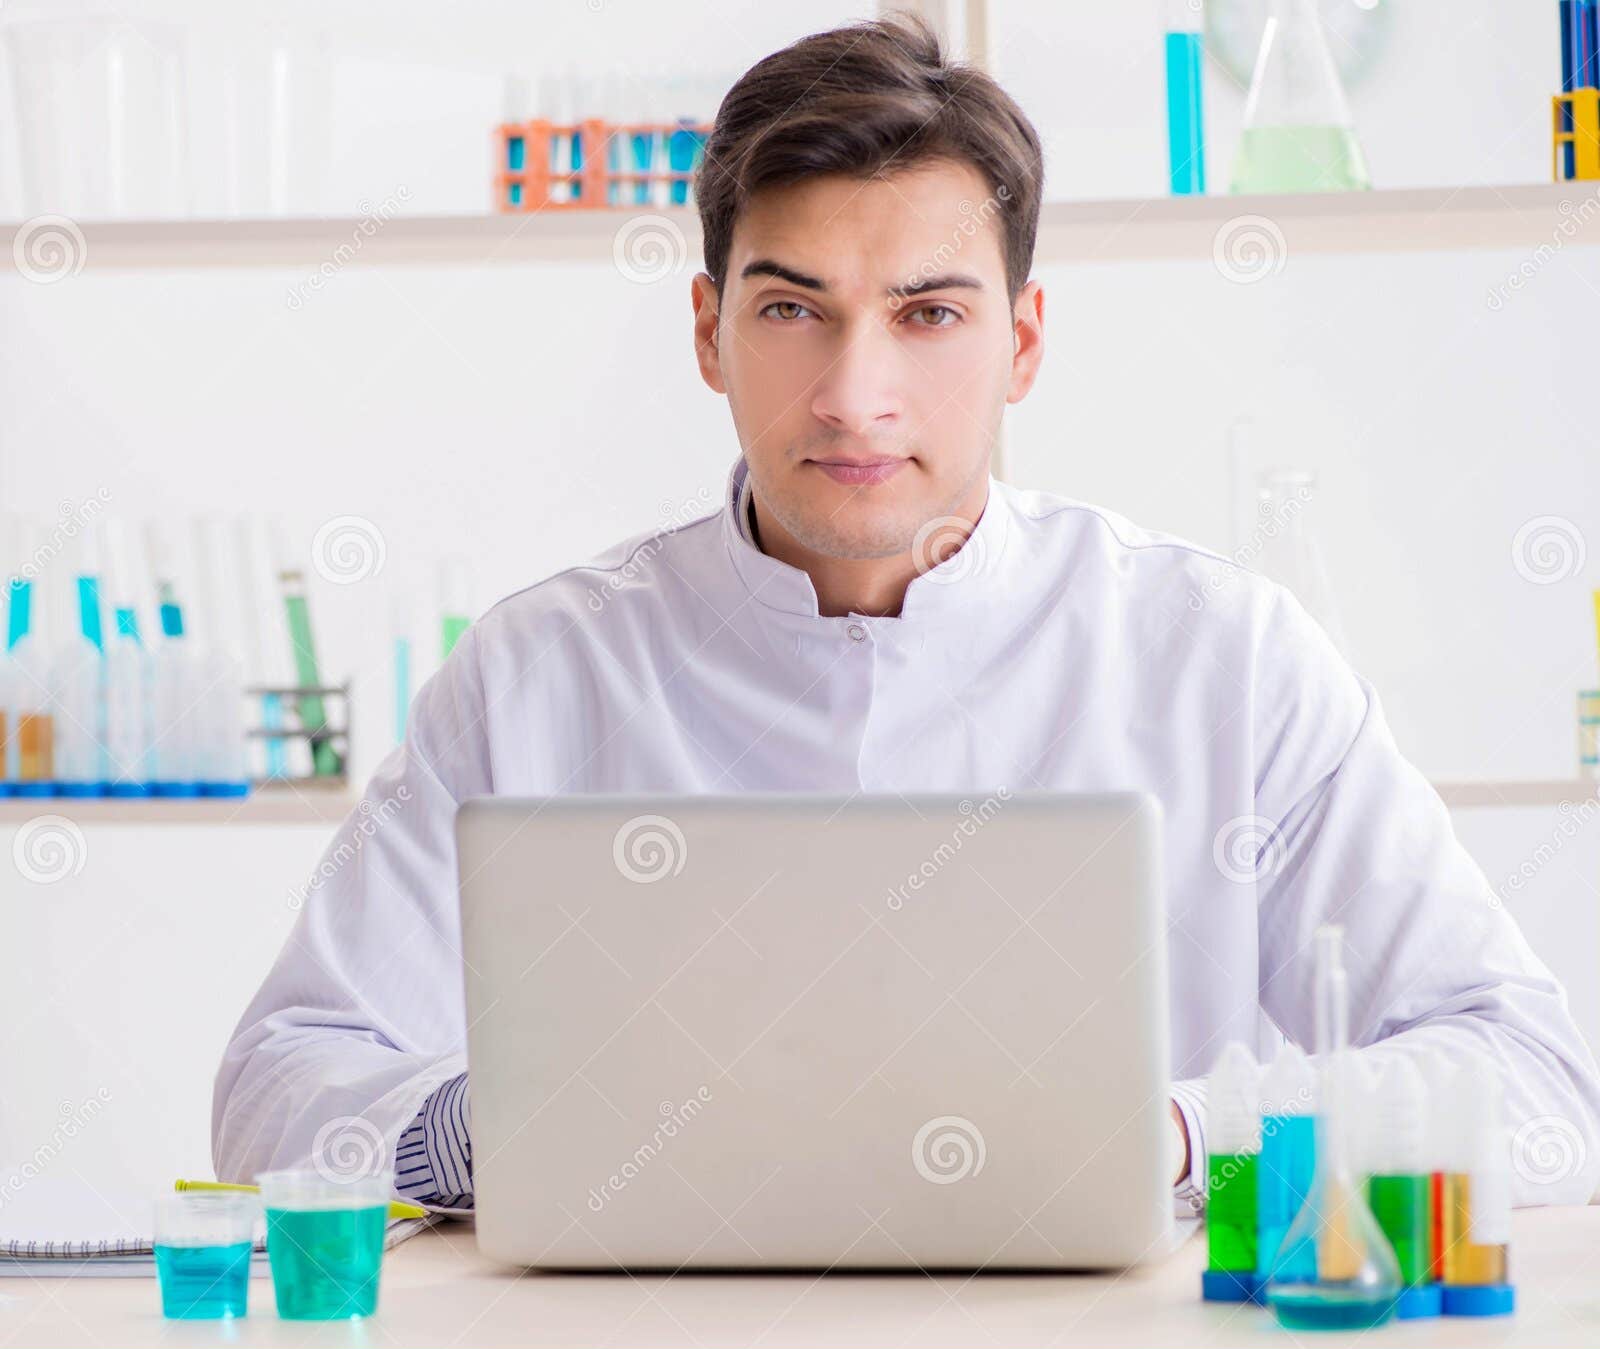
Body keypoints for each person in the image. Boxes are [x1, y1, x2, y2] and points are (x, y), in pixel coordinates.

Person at [214, 15, 1600, 1219]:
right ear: (708, 334)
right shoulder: (537, 675)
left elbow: (1537, 1085)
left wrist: (1174, 1135)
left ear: (1025, 339)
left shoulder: (1223, 659)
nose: (853, 396)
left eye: (928, 315)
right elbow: (283, 1093)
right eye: (792, 311)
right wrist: (526, 1121)